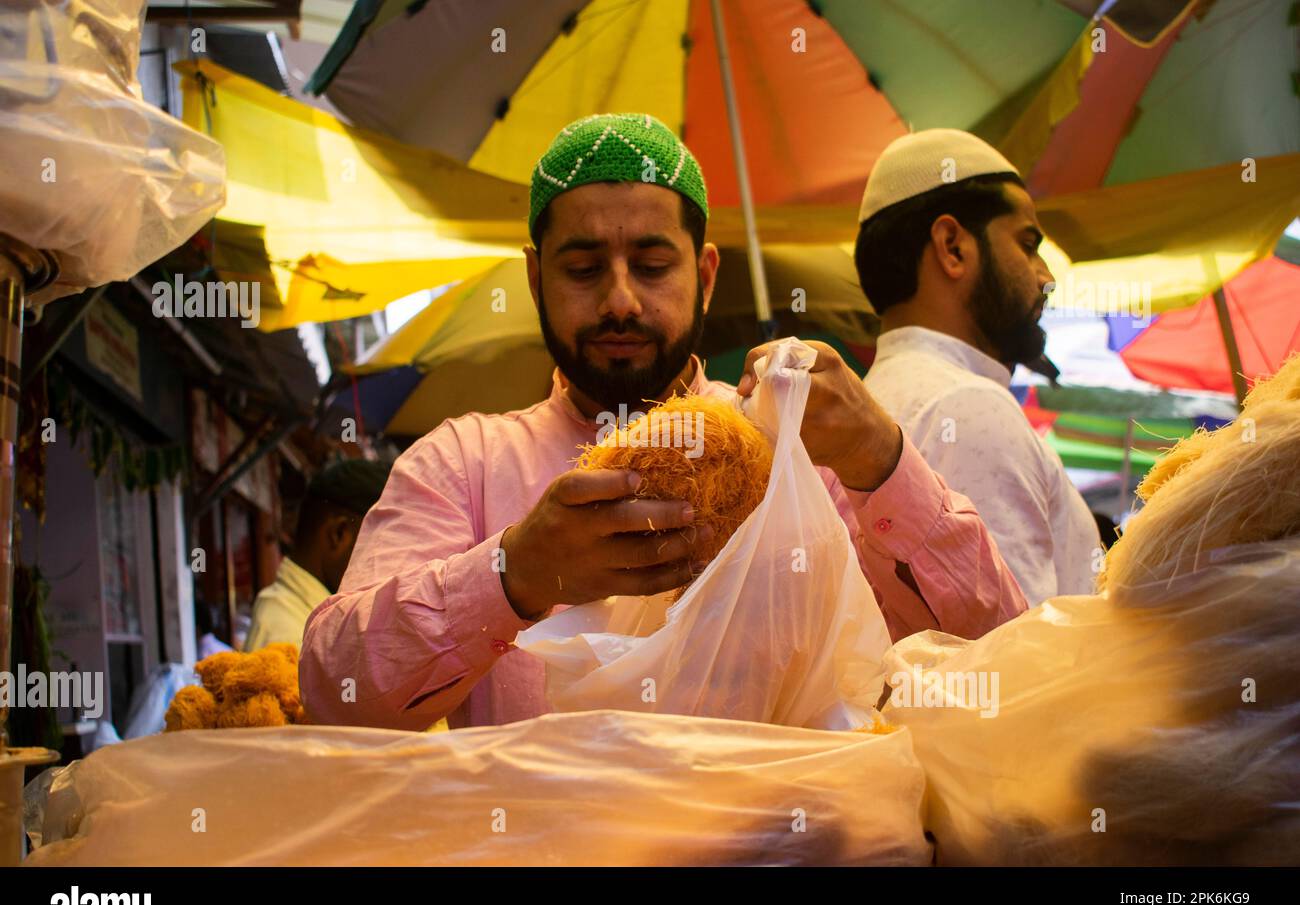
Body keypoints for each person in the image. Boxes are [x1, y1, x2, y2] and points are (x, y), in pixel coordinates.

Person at [301, 113, 1026, 731]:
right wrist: (513, 574)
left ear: (705, 276)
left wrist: (883, 459)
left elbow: (994, 658)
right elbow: (334, 690)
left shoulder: (794, 453)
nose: (620, 301)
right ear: (534, 279)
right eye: (584, 269)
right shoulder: (462, 463)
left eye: (652, 266)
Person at [856, 129, 1102, 605]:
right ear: (952, 246)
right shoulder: (966, 406)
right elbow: (1017, 654)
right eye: (1028, 244)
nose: (1045, 277)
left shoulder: (879, 400)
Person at [246, 459, 392, 652]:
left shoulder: (312, 623)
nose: (392, 571)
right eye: (388, 549)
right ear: (339, 534)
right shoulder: (289, 639)